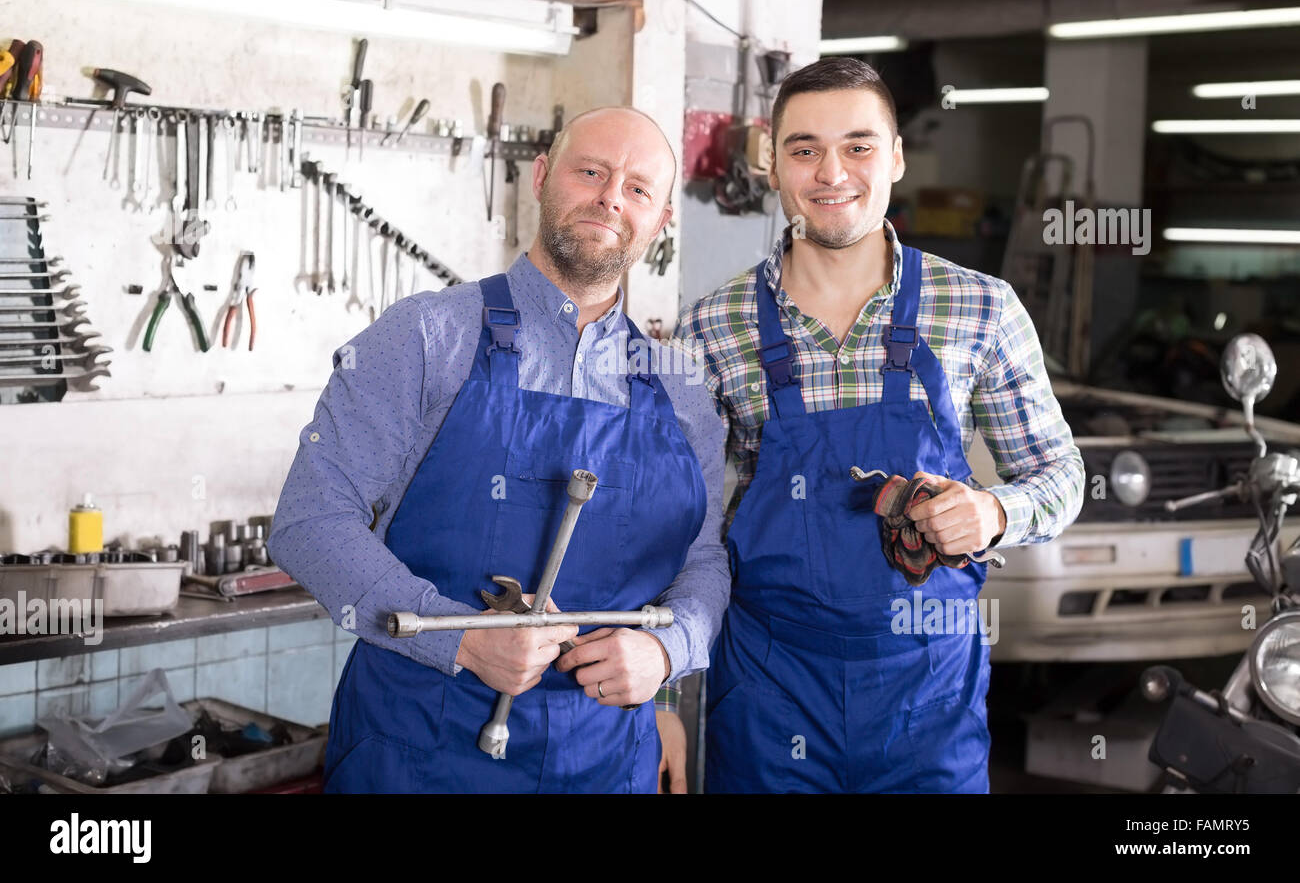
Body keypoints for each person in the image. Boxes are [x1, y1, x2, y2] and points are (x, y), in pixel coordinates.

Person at [267, 106, 728, 793]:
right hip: (415, 753)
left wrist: (670, 650)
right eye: (591, 172)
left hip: (601, 765)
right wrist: (456, 637)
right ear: (541, 178)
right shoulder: (424, 338)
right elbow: (309, 523)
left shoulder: (684, 392)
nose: (609, 197)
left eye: (637, 188)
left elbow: (704, 562)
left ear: (661, 221)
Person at [675, 57, 1085, 792]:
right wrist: (661, 699)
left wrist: (995, 509)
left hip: (928, 695)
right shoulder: (711, 329)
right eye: (805, 149)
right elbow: (674, 525)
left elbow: (1063, 476)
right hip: (771, 689)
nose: (832, 171)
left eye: (859, 145)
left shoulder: (980, 309)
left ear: (895, 157)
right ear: (774, 165)